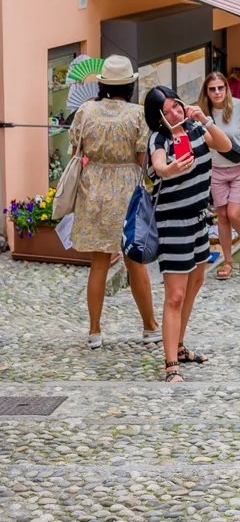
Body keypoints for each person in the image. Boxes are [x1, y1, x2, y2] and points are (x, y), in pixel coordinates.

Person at [68, 55, 160, 349]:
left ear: (103, 84)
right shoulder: (136, 115)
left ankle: (94, 331)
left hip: (93, 187)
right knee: (135, 261)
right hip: (126, 189)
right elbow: (141, 158)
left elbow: (75, 146)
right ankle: (150, 326)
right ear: (130, 85)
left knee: (99, 262)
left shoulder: (86, 110)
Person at [144, 85, 233, 383]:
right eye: (166, 111)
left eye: (176, 105)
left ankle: (180, 346)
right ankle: (171, 365)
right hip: (173, 224)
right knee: (175, 295)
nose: (174, 113)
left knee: (195, 283)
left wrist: (205, 119)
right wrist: (170, 169)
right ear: (157, 117)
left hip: (198, 220)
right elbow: (159, 165)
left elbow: (225, 146)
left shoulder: (195, 128)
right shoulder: (159, 138)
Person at [198, 71, 240, 280]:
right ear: (206, 92)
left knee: (234, 213)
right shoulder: (203, 113)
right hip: (217, 169)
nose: (217, 92)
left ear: (226, 88)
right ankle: (226, 261)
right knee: (223, 216)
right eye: (212, 89)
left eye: (220, 88)